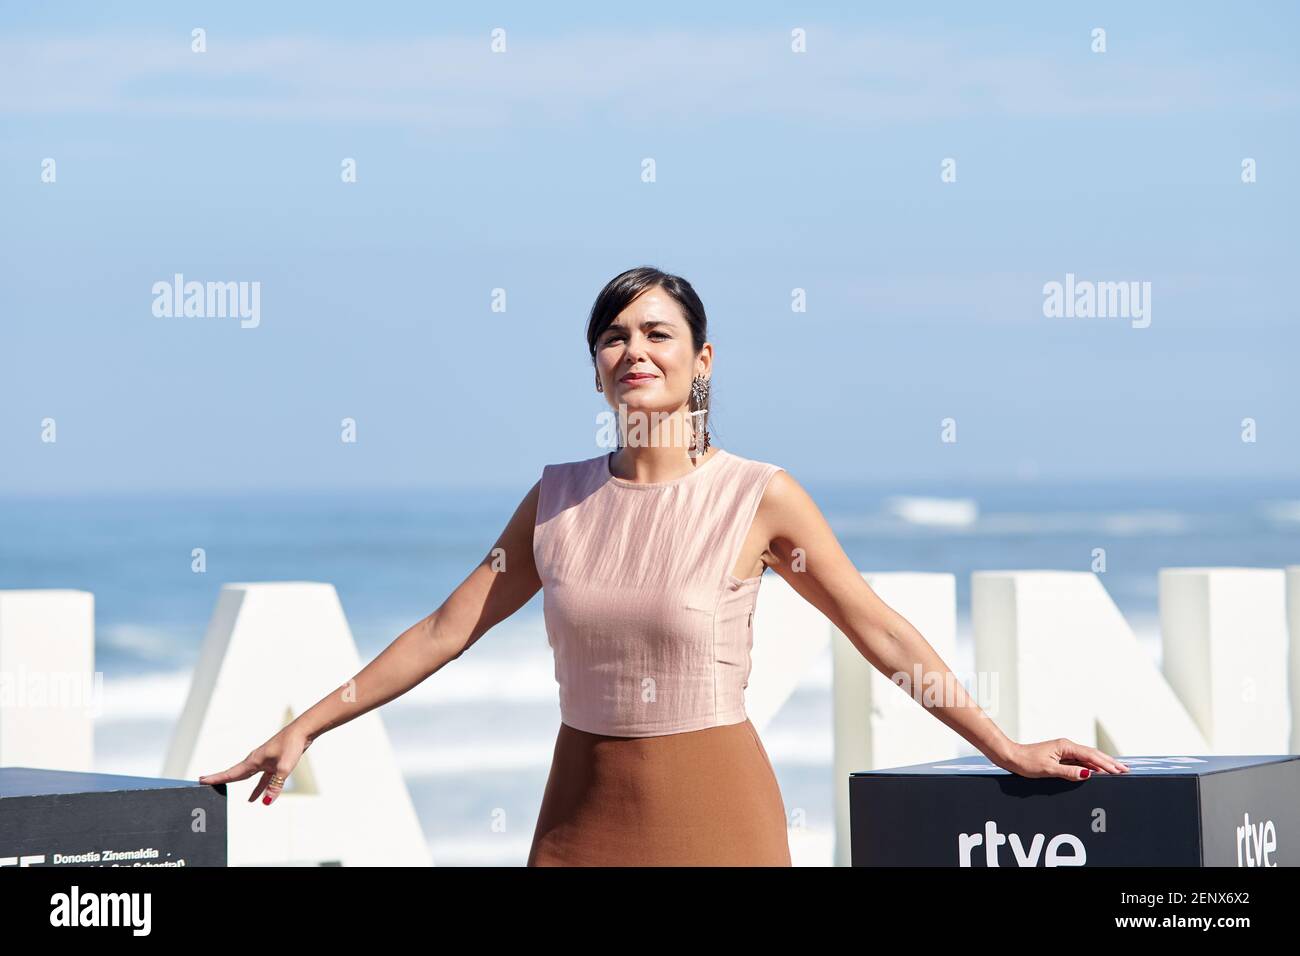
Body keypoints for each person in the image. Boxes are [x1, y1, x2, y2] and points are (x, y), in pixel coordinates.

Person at [199, 266, 1129, 866]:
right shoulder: (555, 497)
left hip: (717, 820)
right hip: (578, 824)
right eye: (614, 336)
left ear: (702, 360)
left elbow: (874, 626)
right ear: (594, 370)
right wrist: (307, 727)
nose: (634, 350)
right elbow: (446, 630)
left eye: (657, 333)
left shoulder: (759, 496)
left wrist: (1003, 747)